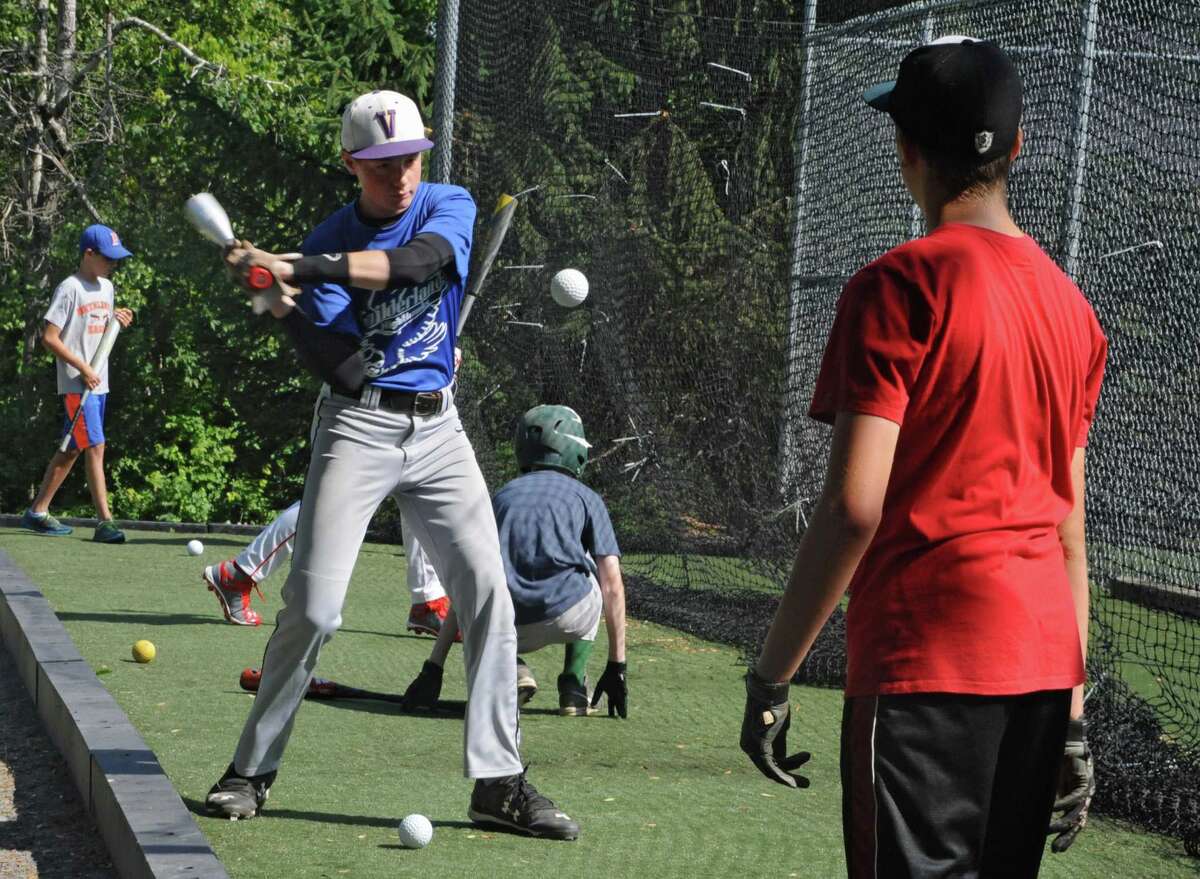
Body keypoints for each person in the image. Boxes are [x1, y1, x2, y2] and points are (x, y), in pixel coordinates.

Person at [739, 37, 1106, 877]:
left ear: (906, 149)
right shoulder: (1073, 309)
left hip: (923, 666)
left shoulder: (895, 286)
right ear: (1018, 148)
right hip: (1041, 673)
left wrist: (771, 677)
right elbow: (1068, 536)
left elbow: (852, 509)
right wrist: (1073, 717)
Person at [205, 89, 578, 840]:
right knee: (313, 610)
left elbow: (417, 265)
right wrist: (282, 303)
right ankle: (250, 770)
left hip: (440, 428)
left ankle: (499, 782)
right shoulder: (332, 235)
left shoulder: (447, 204)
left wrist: (302, 266)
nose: (399, 174)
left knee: (487, 594)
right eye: (380, 164)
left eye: (408, 157)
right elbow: (341, 368)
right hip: (358, 425)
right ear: (352, 163)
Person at [401, 405, 628, 718]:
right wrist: (617, 666)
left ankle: (513, 668)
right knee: (592, 564)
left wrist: (433, 668)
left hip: (506, 626)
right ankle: (573, 686)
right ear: (576, 450)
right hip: (569, 617)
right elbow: (612, 585)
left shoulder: (501, 496)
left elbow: (472, 577)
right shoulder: (588, 497)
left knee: (485, 574)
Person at [21, 224, 135, 544]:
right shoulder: (70, 288)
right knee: (95, 446)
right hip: (78, 384)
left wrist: (118, 319)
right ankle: (105, 522)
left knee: (72, 449)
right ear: (88, 254)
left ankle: (37, 511)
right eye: (107, 258)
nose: (113, 264)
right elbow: (49, 337)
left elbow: (99, 327)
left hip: (99, 383)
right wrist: (82, 368)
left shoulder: (107, 288)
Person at [200, 498, 451, 631]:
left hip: (416, 420)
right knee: (333, 500)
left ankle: (427, 602)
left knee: (419, 495)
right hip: (368, 418)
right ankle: (238, 575)